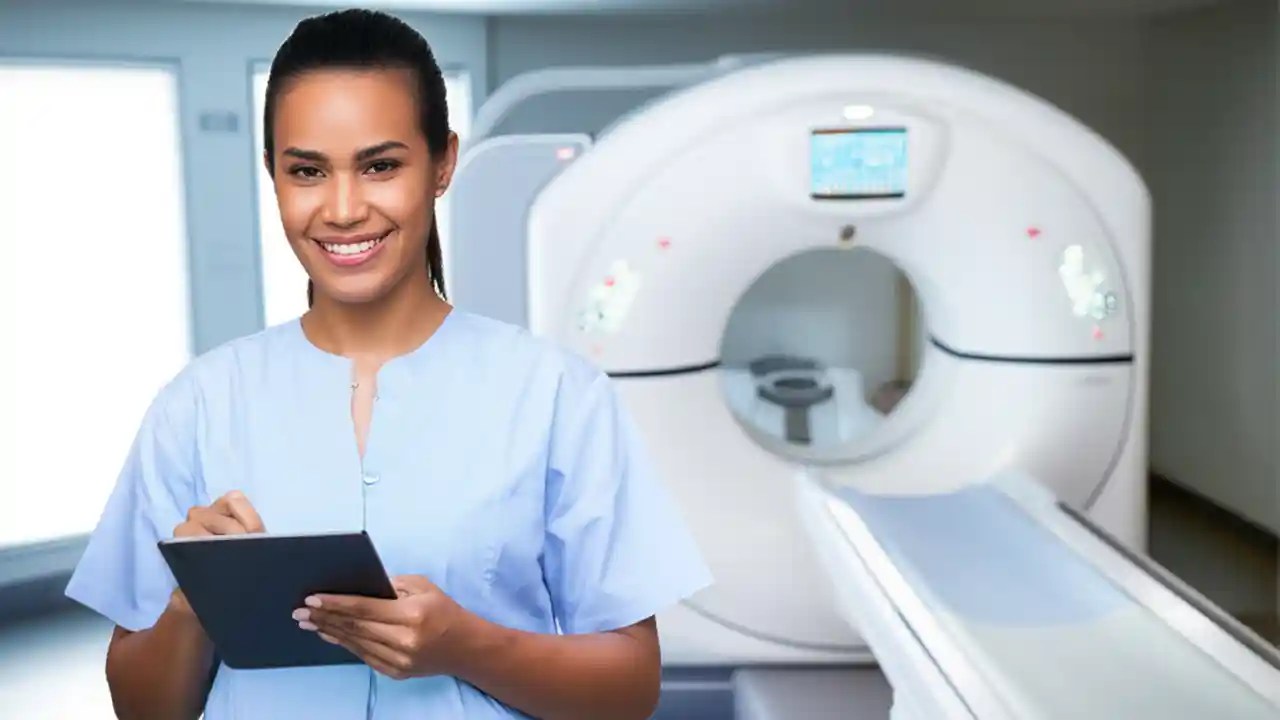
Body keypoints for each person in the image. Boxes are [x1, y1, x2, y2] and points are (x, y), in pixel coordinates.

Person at [64, 8, 712, 719]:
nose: (342, 209)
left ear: (442, 163)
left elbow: (629, 690)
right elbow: (140, 708)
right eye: (306, 170)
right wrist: (193, 604)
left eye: (380, 166)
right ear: (273, 176)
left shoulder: (558, 396)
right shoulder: (196, 407)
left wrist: (467, 645)